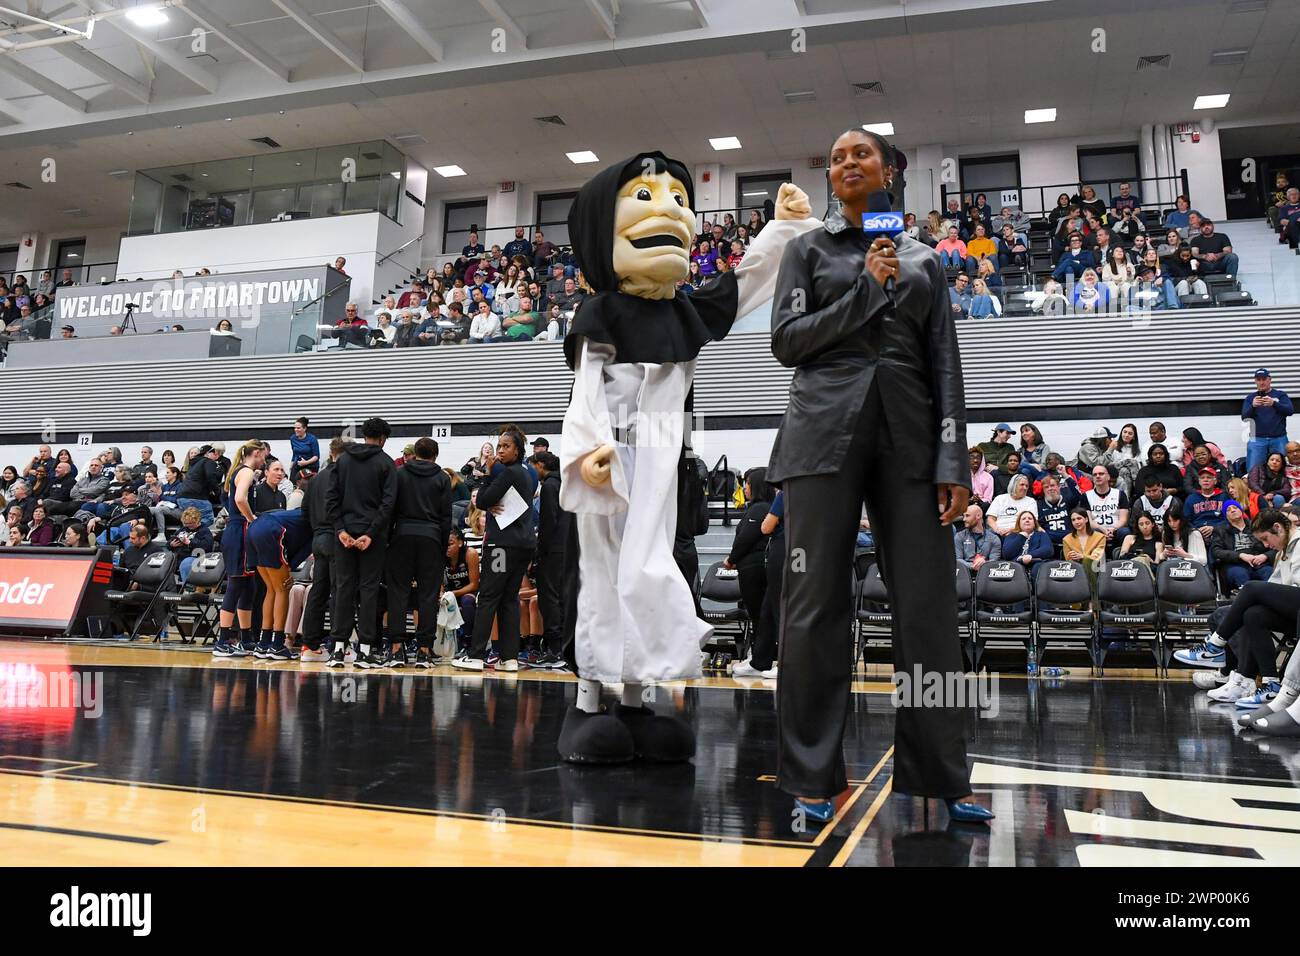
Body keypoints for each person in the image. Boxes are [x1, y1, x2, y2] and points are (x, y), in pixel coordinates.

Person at [765, 128, 989, 824]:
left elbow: (945, 363)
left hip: (911, 440)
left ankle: (943, 773)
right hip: (820, 433)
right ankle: (810, 776)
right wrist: (865, 291)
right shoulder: (807, 250)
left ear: (889, 170)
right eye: (835, 158)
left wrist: (952, 459)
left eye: (859, 154)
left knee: (929, 610)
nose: (845, 164)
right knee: (813, 608)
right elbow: (786, 343)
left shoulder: (924, 259)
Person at [453, 428, 535, 672]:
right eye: (499, 446)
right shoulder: (525, 473)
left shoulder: (508, 473)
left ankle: (476, 655)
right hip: (523, 544)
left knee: (488, 596)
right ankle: (509, 658)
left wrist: (488, 475)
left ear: (518, 450)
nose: (500, 451)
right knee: (508, 599)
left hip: (502, 546)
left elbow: (482, 500)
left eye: (506, 446)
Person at [326, 418, 397, 668]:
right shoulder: (386, 463)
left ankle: (338, 649)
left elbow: (331, 498)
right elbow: (388, 504)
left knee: (344, 588)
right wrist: (371, 533)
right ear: (383, 439)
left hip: (344, 535)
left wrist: (340, 529)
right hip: (372, 537)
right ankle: (365, 651)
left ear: (364, 435)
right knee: (369, 590)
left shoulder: (343, 460)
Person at [385, 437, 451, 668]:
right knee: (428, 596)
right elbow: (446, 517)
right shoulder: (442, 478)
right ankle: (424, 651)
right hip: (431, 538)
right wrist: (442, 546)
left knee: (398, 594)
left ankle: (396, 650)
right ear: (435, 455)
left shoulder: (399, 474)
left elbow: (389, 508)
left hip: (402, 536)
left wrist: (390, 539)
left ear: (415, 453)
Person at [210, 440, 269, 658]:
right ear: (256, 453)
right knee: (235, 585)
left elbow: (229, 498)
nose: (265, 460)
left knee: (248, 587)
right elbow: (239, 498)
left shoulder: (238, 471)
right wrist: (252, 519)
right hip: (240, 531)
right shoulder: (246, 472)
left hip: (237, 529)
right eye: (264, 455)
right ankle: (223, 641)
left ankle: (246, 639)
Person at [725, 468, 776, 678]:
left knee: (759, 615)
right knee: (759, 616)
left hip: (755, 568)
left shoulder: (760, 508)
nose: (745, 488)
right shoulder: (759, 508)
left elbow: (746, 538)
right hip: (753, 567)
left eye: (747, 483)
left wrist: (731, 559)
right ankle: (757, 657)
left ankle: (760, 660)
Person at [298, 438, 346, 663]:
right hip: (337, 537)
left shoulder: (316, 478)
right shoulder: (343, 476)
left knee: (317, 592)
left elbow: (304, 511)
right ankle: (338, 646)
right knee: (338, 592)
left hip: (318, 538)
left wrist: (316, 530)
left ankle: (309, 645)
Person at [245, 509, 313, 661]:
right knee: (283, 588)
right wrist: (289, 568)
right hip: (269, 529)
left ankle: (263, 643)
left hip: (253, 527)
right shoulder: (318, 522)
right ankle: (277, 645)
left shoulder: (299, 514)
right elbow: (306, 549)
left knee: (271, 589)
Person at [530, 451, 569, 669]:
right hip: (568, 549)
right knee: (562, 598)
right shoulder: (567, 483)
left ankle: (554, 650)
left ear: (541, 465)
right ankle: (563, 648)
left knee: (549, 599)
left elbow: (548, 521)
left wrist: (540, 550)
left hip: (552, 550)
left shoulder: (549, 487)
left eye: (533, 466)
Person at [1213, 500, 1275, 591]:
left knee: (1269, 572)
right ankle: (1249, 598)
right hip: (1235, 565)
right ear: (1226, 516)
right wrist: (1240, 555)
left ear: (1241, 511)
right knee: (1240, 574)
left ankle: (1269, 597)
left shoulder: (1256, 526)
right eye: (1228, 510)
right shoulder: (1220, 530)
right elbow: (1216, 551)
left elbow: (1275, 545)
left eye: (1235, 508)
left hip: (1259, 563)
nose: (1233, 510)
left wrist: (1265, 556)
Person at [1242, 368, 1292, 474]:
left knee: (1284, 469)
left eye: (1264, 379)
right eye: (1258, 380)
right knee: (1254, 470)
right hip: (1257, 439)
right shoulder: (1251, 398)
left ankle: (1282, 485)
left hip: (1279, 438)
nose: (1261, 382)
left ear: (1270, 379)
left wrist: (1274, 403)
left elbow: (1290, 411)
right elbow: (1244, 418)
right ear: (1255, 381)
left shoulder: (1280, 395)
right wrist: (1253, 406)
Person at [1083, 464, 1129, 552]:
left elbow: (1123, 519)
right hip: (1096, 530)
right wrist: (1103, 529)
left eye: (1101, 474)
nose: (1098, 476)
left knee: (1125, 532)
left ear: (1108, 477)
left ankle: (1122, 556)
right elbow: (1088, 521)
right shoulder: (1086, 496)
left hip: (1116, 529)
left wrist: (1113, 529)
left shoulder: (1120, 494)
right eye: (1095, 474)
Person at [953, 503, 998, 571]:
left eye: (967, 516)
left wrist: (984, 563)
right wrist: (972, 566)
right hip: (964, 573)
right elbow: (957, 559)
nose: (964, 519)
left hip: (986, 573)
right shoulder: (959, 536)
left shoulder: (994, 539)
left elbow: (995, 561)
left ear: (978, 516)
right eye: (963, 516)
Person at [1162, 500, 1208, 564]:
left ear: (1181, 520)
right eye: (1169, 521)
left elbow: (1204, 560)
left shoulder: (1194, 534)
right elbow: (1161, 557)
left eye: (1175, 520)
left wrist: (1185, 555)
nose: (1172, 524)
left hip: (1192, 568)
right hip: (1172, 566)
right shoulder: (1166, 533)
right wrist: (1164, 554)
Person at [289, 417, 320, 484]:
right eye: (295, 428)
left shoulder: (312, 439)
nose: (296, 430)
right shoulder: (293, 438)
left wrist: (306, 462)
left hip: (311, 465)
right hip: (298, 464)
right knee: (292, 483)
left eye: (298, 428)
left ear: (304, 428)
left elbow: (316, 456)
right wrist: (291, 463)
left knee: (307, 484)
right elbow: (295, 453)